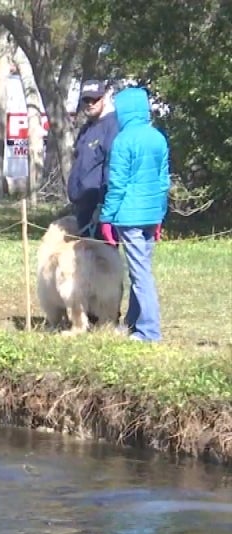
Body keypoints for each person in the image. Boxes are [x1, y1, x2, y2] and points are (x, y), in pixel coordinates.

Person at [99, 86, 169, 343]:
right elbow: (163, 182)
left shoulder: (123, 140)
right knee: (141, 271)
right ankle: (133, 323)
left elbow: (117, 185)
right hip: (151, 215)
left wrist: (107, 218)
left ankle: (149, 332)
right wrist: (160, 215)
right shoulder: (158, 138)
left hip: (129, 217)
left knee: (140, 276)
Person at [68, 80, 120, 239]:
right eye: (86, 100)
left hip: (98, 208)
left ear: (104, 98)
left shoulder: (112, 126)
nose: (90, 104)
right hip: (82, 206)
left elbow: (111, 167)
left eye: (95, 99)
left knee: (101, 259)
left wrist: (103, 206)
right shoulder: (86, 128)